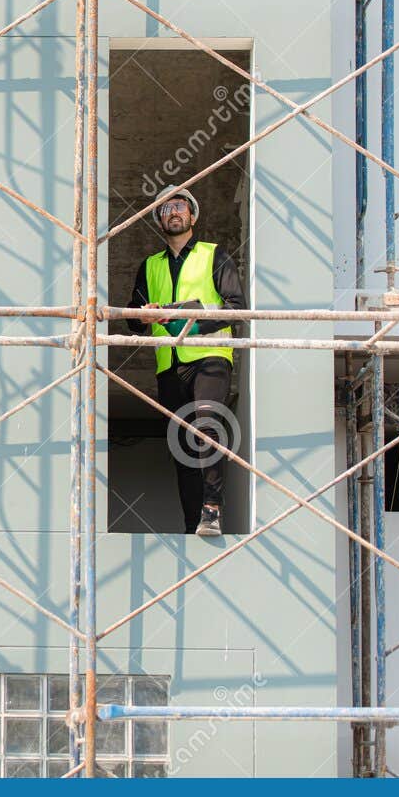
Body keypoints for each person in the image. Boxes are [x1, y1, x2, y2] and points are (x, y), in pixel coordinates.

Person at [124, 186, 246, 537]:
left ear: (192, 215)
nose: (173, 212)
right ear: (159, 220)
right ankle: (193, 523)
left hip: (209, 356)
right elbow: (133, 317)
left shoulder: (214, 255)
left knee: (207, 427)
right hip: (170, 364)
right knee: (182, 444)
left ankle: (212, 511)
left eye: (180, 206)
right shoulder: (149, 266)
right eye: (166, 209)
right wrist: (144, 318)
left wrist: (190, 320)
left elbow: (236, 309)